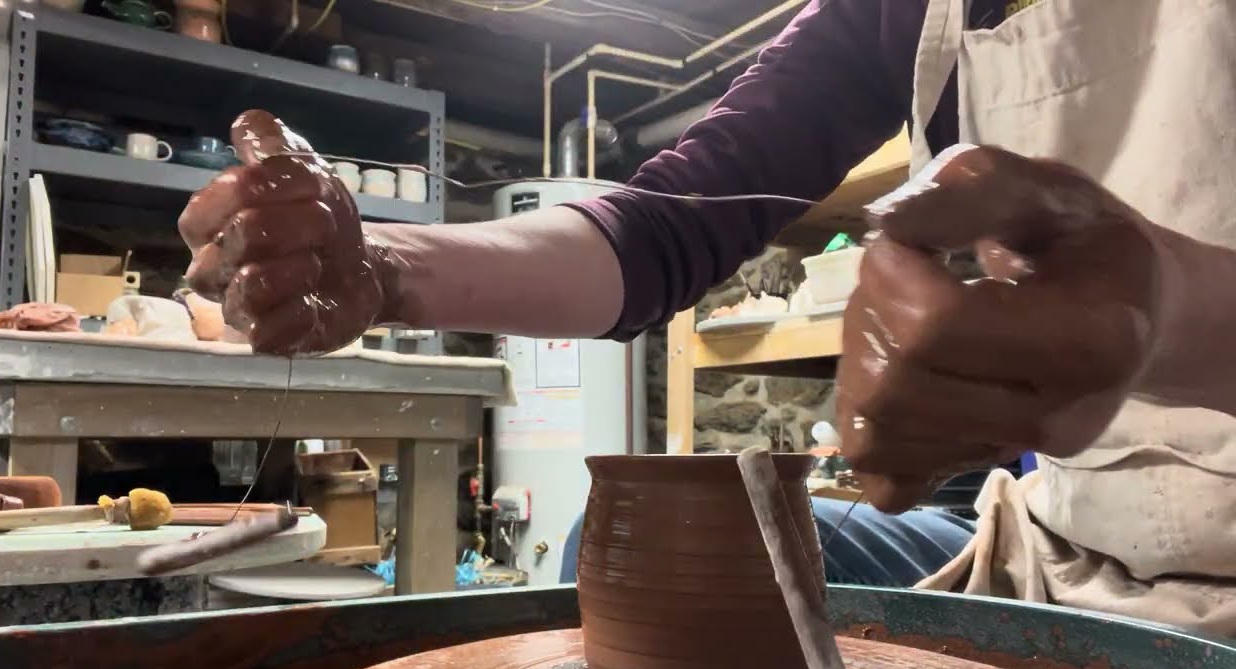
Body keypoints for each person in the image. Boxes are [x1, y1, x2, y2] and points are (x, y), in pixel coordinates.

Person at [179, 0, 1236, 635]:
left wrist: (1170, 303)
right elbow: (663, 228)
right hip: (1059, 549)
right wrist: (385, 264)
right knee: (625, 545)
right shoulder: (896, 13)